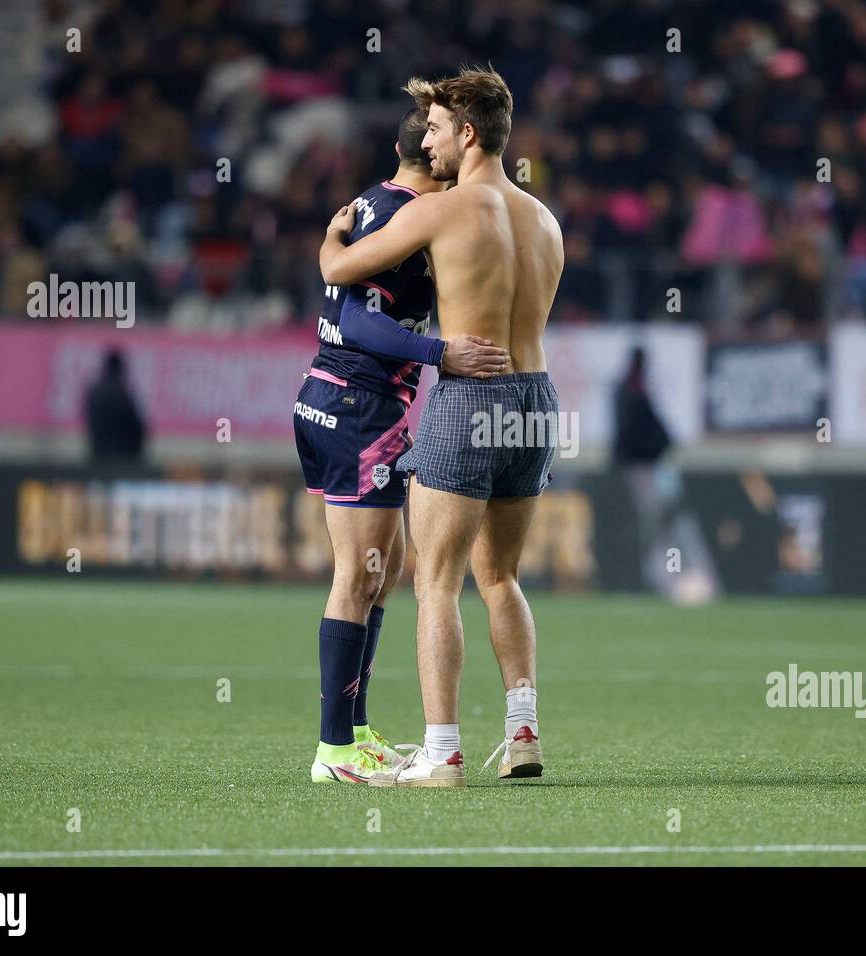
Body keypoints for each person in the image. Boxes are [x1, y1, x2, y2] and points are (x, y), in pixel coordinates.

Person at [319, 66, 564, 788]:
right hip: (537, 399)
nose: (425, 143)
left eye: (433, 129)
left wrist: (331, 239)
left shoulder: (441, 211)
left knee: (435, 581)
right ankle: (522, 732)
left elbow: (342, 273)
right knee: (503, 575)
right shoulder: (545, 219)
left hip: (470, 396)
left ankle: (443, 752)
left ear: (467, 133)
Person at [295, 108, 509, 784]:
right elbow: (360, 319)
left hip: (355, 402)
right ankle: (333, 749)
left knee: (380, 573)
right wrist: (439, 351)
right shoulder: (407, 214)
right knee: (359, 574)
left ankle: (354, 731)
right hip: (354, 402)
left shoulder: (377, 203)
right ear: (427, 145)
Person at [85, 350, 145, 462]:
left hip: (98, 453)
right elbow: (136, 428)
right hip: (122, 456)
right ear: (120, 368)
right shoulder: (123, 394)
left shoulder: (94, 392)